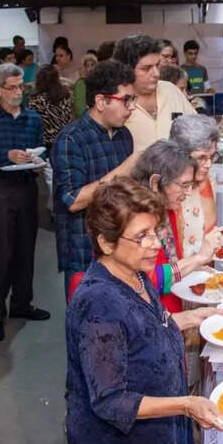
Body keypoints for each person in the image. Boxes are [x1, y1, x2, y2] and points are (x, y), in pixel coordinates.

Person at [65, 177, 223, 444]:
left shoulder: (135, 274)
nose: (155, 244)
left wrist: (189, 317)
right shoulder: (99, 304)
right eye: (142, 236)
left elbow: (144, 329)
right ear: (106, 243)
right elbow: (111, 401)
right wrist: (185, 404)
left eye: (155, 231)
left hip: (159, 432)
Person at [0, 63, 49, 342]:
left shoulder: (32, 118)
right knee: (3, 255)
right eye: (12, 88)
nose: (18, 93)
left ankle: (21, 303)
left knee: (26, 251)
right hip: (0, 189)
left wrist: (37, 159)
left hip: (27, 186)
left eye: (21, 87)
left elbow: (41, 148)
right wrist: (6, 156)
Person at [53, 60, 141, 299]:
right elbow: (73, 200)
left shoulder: (124, 135)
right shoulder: (71, 139)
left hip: (118, 247)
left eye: (133, 99)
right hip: (84, 249)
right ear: (101, 101)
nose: (132, 107)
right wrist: (124, 171)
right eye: (126, 100)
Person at [130, 140, 222, 313]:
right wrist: (198, 258)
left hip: (172, 308)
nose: (188, 193)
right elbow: (143, 282)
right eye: (184, 185)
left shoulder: (168, 209)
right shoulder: (133, 219)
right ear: (155, 183)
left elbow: (172, 263)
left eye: (190, 185)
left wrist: (193, 268)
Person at [113, 34, 197, 152]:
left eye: (157, 65)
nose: (156, 73)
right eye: (146, 68)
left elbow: (197, 130)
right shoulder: (114, 102)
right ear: (126, 70)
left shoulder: (171, 90)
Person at [170, 115, 218, 257]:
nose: (208, 164)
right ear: (180, 154)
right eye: (201, 158)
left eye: (212, 157)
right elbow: (159, 264)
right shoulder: (164, 191)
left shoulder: (208, 184)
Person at [28, 64, 76, 148]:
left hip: (46, 143)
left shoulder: (36, 101)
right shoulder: (67, 95)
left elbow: (33, 125)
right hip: (68, 139)